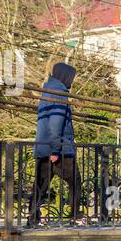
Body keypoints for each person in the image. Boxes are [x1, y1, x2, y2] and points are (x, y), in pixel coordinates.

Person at [27, 61, 82, 227]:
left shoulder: (47, 90)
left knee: (40, 184)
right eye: (72, 78)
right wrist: (56, 149)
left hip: (43, 147)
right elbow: (55, 123)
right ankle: (75, 215)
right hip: (60, 148)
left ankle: (33, 218)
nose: (72, 81)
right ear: (65, 77)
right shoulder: (59, 93)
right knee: (75, 181)